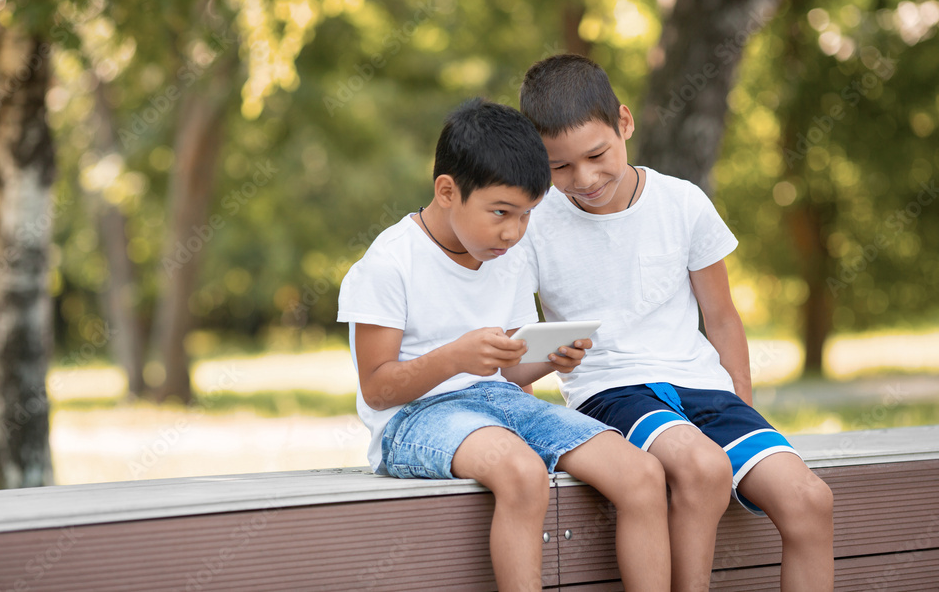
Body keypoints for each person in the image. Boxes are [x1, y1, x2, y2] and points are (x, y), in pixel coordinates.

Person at [518, 54, 834, 592]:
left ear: (624, 123)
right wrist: (546, 359)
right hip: (612, 388)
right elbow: (514, 358)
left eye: (597, 155)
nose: (585, 178)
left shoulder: (683, 202)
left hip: (704, 388)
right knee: (703, 467)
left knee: (810, 500)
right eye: (561, 167)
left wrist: (744, 408)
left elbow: (723, 317)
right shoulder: (531, 224)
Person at [338, 98, 671, 591]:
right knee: (521, 471)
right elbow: (378, 390)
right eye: (501, 212)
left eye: (526, 215)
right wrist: (455, 357)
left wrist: (547, 359)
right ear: (448, 191)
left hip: (499, 404)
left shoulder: (507, 255)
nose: (513, 232)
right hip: (414, 418)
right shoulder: (389, 263)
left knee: (642, 473)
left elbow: (512, 372)